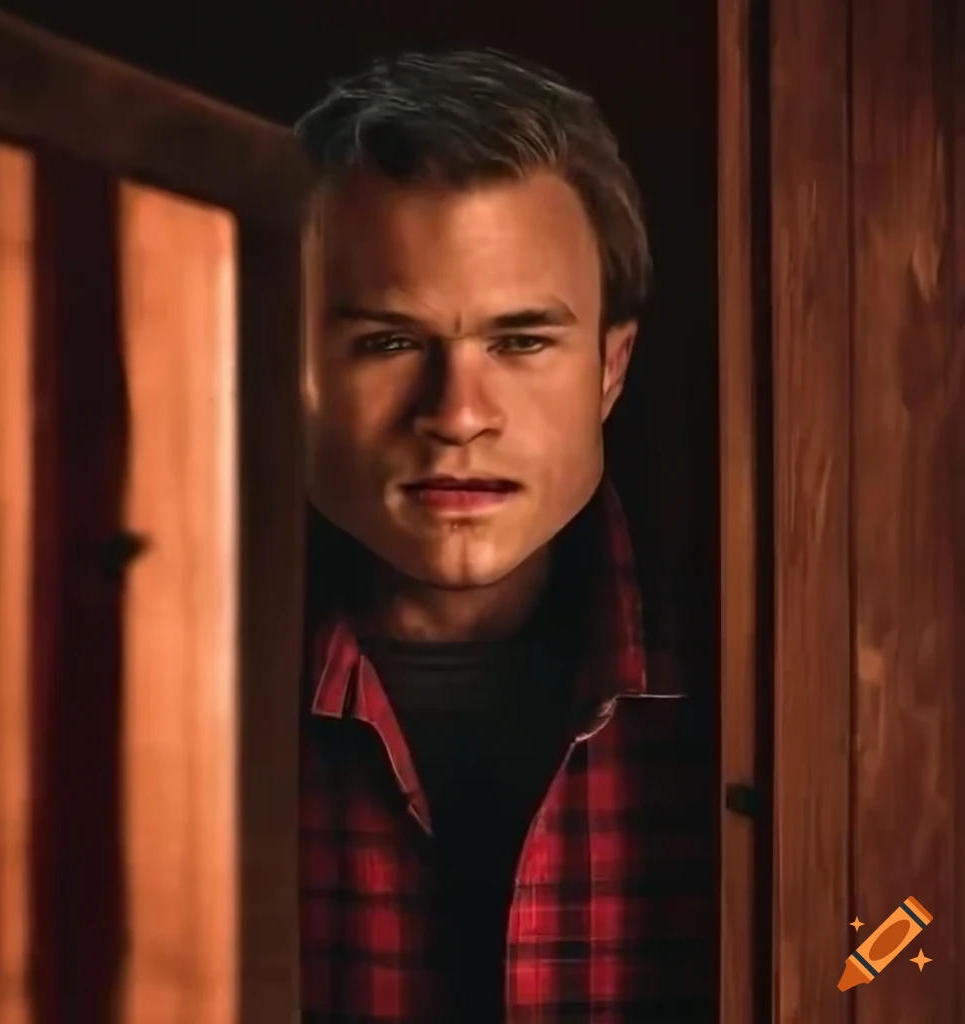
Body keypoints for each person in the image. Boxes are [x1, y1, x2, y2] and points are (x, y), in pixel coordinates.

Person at [294, 48, 713, 1023]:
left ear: (610, 370)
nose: (457, 413)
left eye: (521, 342)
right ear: (289, 362)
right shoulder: (158, 694)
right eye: (390, 342)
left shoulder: (769, 699)